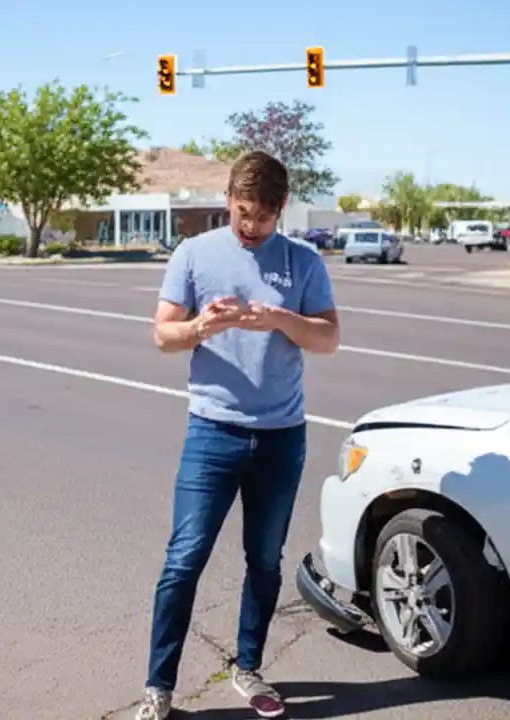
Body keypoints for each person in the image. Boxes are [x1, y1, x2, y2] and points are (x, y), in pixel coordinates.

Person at [135, 150, 341, 720]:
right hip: (213, 432)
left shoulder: (302, 262)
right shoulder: (194, 254)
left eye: (263, 217)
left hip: (281, 437)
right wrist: (204, 325)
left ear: (281, 212)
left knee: (265, 560)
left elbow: (327, 338)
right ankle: (159, 688)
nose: (251, 226)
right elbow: (162, 336)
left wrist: (278, 318)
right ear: (228, 198)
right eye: (243, 212)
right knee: (184, 558)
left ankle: (247, 668)